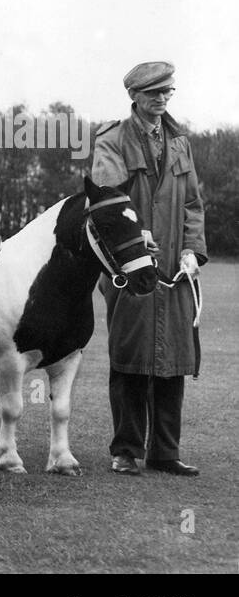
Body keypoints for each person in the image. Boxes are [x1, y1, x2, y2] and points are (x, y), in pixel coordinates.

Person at [92, 61, 206, 477]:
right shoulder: (112, 139)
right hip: (130, 266)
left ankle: (164, 451)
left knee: (173, 359)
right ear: (135, 96)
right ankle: (125, 450)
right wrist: (139, 236)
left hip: (176, 268)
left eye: (168, 92)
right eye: (154, 93)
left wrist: (193, 250)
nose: (162, 99)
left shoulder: (180, 143)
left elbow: (192, 203)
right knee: (130, 357)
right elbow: (107, 198)